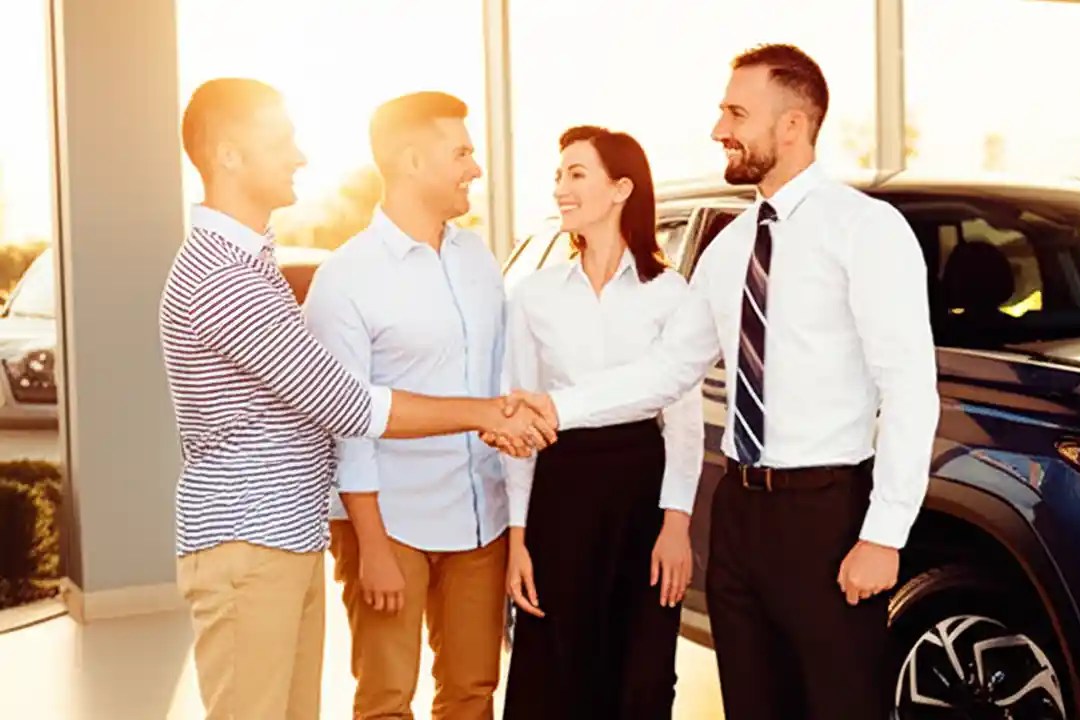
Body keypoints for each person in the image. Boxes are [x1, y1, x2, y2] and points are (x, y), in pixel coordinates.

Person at [500, 45, 940, 719]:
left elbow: (908, 386)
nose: (718, 130)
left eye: (736, 113)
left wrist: (885, 533)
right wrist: (554, 406)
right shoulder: (729, 248)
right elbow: (667, 369)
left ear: (792, 125)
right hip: (737, 517)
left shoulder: (865, 230)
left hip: (826, 514)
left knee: (840, 704)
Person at [160, 78, 551, 720]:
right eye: (280, 141)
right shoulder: (221, 276)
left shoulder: (251, 263)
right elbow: (346, 406)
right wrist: (482, 413)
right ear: (229, 154)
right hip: (246, 540)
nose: (299, 157)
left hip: (280, 539)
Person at [301, 91, 510, 720]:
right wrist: (371, 546)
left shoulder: (478, 259)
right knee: (387, 700)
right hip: (389, 524)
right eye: (462, 153)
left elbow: (498, 381)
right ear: (413, 160)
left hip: (480, 518)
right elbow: (344, 423)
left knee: (472, 692)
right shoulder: (345, 278)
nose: (475, 168)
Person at [499, 126, 704, 720]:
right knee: (556, 674)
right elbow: (520, 423)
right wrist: (518, 539)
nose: (560, 188)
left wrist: (676, 525)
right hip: (560, 494)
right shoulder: (534, 295)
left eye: (576, 174)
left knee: (641, 678)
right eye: (558, 175)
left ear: (621, 188)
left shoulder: (669, 292)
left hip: (642, 494)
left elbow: (684, 424)